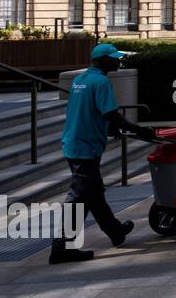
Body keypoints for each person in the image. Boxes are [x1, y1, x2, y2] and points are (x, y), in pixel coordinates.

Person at [49, 44, 158, 264]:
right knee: (79, 197)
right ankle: (62, 248)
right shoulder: (101, 82)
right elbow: (111, 114)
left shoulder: (81, 80)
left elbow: (89, 109)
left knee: (94, 193)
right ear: (101, 61)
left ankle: (115, 231)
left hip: (75, 142)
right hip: (85, 147)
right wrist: (141, 131)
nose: (118, 62)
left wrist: (108, 128)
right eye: (113, 59)